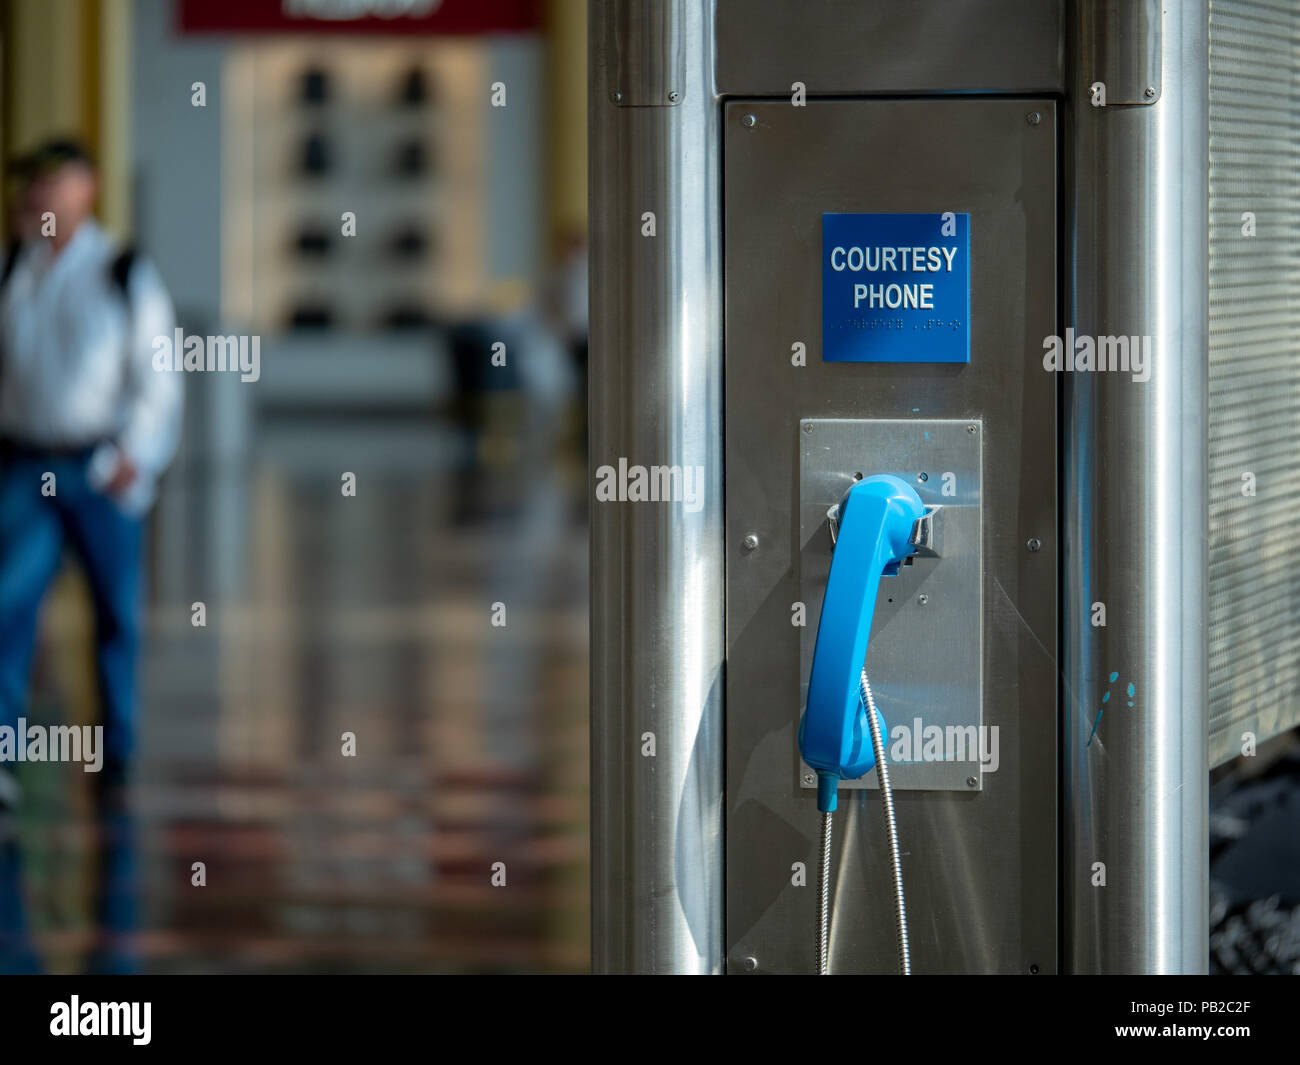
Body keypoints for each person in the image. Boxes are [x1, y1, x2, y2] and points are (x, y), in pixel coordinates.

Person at [0, 138, 181, 810]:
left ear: (88, 189)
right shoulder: (14, 268)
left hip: (98, 466)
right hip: (26, 464)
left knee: (115, 615)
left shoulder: (121, 270)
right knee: (8, 605)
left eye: (52, 184)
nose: (37, 198)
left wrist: (136, 450)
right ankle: (4, 757)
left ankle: (118, 752)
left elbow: (158, 373)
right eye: (29, 186)